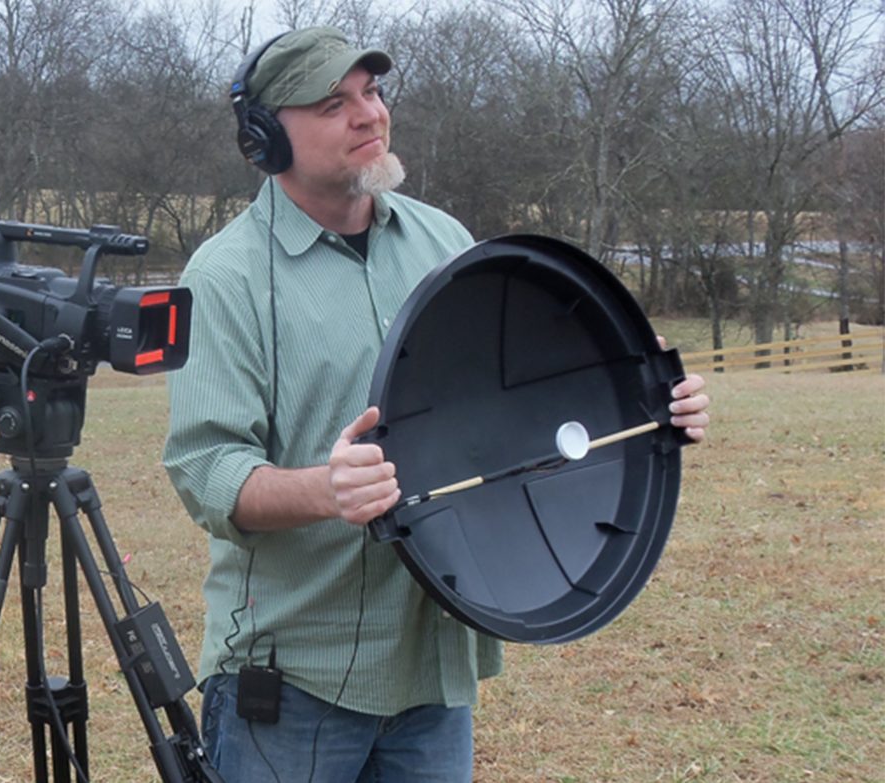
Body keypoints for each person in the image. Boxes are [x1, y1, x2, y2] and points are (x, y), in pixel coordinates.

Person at [161, 27, 711, 783]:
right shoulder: (222, 277)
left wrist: (649, 410)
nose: (368, 116)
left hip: (432, 671)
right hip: (293, 680)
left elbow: (519, 401)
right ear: (265, 137)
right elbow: (207, 470)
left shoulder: (444, 241)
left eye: (373, 92)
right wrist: (326, 489)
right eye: (332, 103)